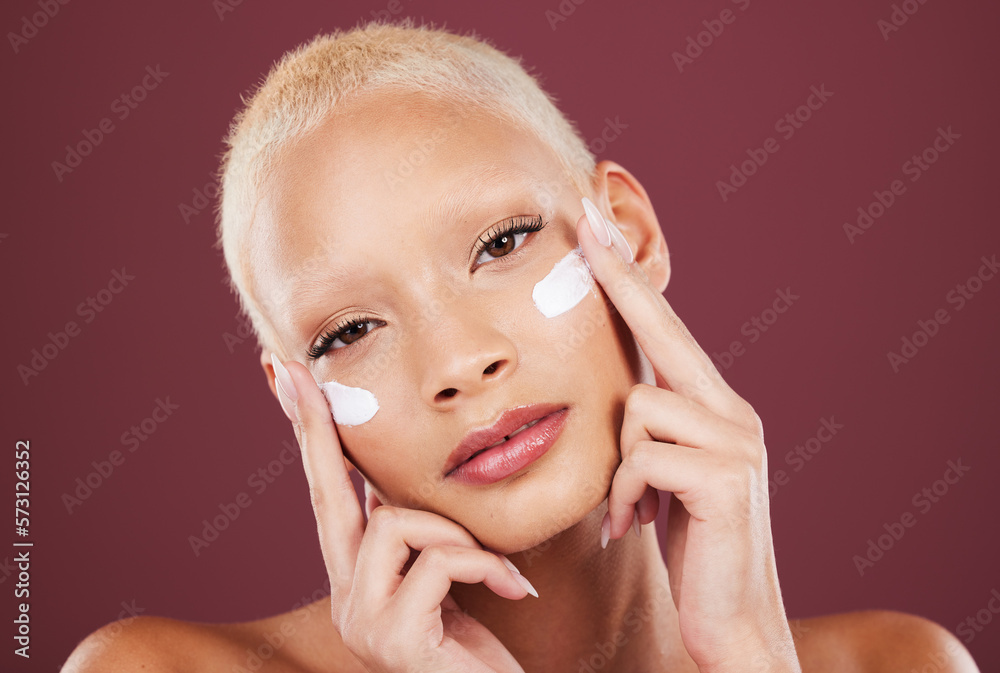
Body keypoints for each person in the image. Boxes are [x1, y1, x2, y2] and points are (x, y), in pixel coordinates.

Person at [64, 18, 979, 673]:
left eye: (501, 244)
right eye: (351, 331)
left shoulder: (900, 663)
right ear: (296, 394)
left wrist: (749, 657)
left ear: (629, 230)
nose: (460, 363)